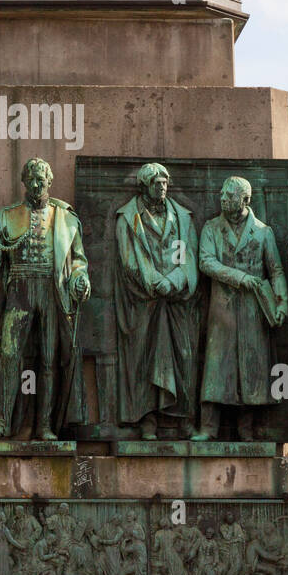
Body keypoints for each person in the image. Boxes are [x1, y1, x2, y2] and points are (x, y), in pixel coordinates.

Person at [0, 158, 90, 438]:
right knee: (7, 355)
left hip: (52, 291)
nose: (36, 183)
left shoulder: (66, 217)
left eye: (41, 178)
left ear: (49, 181)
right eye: (31, 179)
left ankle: (44, 426)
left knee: (49, 359)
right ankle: (1, 422)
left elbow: (77, 260)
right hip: (19, 290)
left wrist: (80, 279)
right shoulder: (7, 217)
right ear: (24, 182)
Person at [195, 176, 288, 440]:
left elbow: (276, 270)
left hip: (254, 310)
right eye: (222, 195)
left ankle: (247, 429)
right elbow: (206, 262)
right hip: (223, 310)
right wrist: (240, 277)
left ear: (245, 200)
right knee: (217, 367)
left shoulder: (262, 231)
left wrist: (281, 302)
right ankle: (208, 427)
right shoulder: (211, 228)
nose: (223, 199)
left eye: (230, 196)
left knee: (251, 369)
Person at [113, 162, 199, 439]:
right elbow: (129, 260)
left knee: (183, 356)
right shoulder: (127, 218)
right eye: (156, 183)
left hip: (177, 300)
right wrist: (154, 282)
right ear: (143, 186)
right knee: (142, 357)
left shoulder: (183, 218)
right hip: (143, 300)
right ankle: (147, 418)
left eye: (164, 182)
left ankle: (183, 416)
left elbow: (189, 258)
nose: (162, 187)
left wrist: (172, 281)